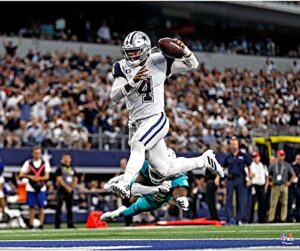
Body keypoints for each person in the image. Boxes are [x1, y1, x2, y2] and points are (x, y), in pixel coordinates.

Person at [109, 31, 224, 199]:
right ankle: (204, 160)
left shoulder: (158, 61)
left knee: (138, 143)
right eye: (129, 51)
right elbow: (114, 96)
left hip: (155, 118)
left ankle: (126, 183)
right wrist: (132, 82)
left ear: (146, 49)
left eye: (136, 51)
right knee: (164, 169)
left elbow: (193, 64)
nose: (132, 55)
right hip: (136, 123)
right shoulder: (122, 67)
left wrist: (185, 50)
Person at [101, 148, 189, 221]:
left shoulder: (177, 173)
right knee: (130, 183)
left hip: (155, 199)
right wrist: (157, 188)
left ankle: (117, 214)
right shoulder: (147, 165)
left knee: (134, 209)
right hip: (147, 186)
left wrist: (180, 197)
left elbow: (179, 189)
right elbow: (135, 188)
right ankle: (119, 180)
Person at [19, 146, 51, 229]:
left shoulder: (45, 163)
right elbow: (21, 174)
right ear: (33, 154)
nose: (37, 155)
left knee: (41, 206)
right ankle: (31, 224)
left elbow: (47, 176)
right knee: (31, 206)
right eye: (36, 153)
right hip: (30, 186)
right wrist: (30, 176)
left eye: (39, 153)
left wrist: (38, 178)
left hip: (41, 187)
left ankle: (41, 224)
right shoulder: (28, 163)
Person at [223, 137, 252, 224]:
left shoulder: (243, 156)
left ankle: (240, 219)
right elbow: (223, 167)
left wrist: (249, 178)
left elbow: (249, 167)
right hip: (231, 179)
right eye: (232, 144)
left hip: (241, 178)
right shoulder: (228, 156)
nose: (233, 146)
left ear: (238, 145)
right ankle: (228, 219)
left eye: (235, 144)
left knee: (241, 200)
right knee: (229, 200)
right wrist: (218, 178)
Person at [268, 150, 296, 223]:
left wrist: (289, 182)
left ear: (284, 156)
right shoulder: (273, 165)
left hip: (284, 185)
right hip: (275, 186)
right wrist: (270, 182)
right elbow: (267, 174)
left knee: (284, 203)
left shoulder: (287, 165)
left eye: (282, 155)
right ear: (277, 155)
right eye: (280, 155)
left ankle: (283, 218)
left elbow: (293, 174)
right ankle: (271, 218)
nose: (281, 157)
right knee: (273, 203)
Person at [55, 153, 78, 229]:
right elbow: (59, 179)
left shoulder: (72, 169)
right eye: (65, 158)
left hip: (70, 190)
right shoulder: (59, 169)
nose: (66, 159)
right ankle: (57, 224)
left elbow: (75, 179)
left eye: (68, 158)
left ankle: (70, 224)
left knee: (70, 208)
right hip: (61, 190)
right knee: (59, 207)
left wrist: (72, 187)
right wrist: (67, 187)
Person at [249, 152, 268, 223]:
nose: (255, 158)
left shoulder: (263, 165)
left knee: (262, 203)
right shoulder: (251, 166)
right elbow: (249, 175)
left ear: (259, 157)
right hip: (254, 185)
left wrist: (266, 185)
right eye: (254, 157)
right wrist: (251, 176)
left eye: (256, 157)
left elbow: (266, 176)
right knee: (252, 203)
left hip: (261, 186)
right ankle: (250, 219)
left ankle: (262, 219)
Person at [288, 154, 300, 222]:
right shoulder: (292, 166)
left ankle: (298, 216)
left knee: (299, 203)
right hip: (293, 186)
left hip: (298, 186)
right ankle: (290, 217)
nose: (298, 160)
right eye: (297, 159)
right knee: (291, 202)